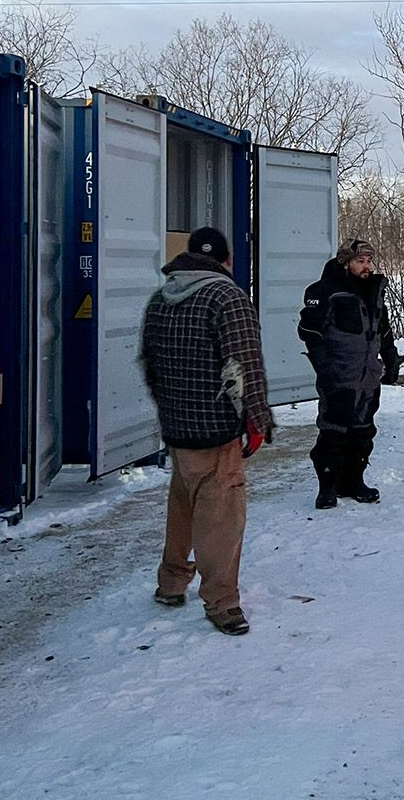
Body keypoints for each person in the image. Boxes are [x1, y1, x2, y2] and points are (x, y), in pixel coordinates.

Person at [140, 227, 274, 636]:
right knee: (221, 516)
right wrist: (257, 419)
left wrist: (168, 408)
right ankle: (222, 602)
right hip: (216, 428)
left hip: (177, 426)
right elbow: (243, 364)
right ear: (227, 261)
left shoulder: (161, 298)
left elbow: (149, 362)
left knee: (183, 503)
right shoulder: (227, 297)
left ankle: (171, 582)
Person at [298, 238, 400, 510]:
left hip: (367, 376)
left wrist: (391, 360)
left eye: (368, 261)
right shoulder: (326, 290)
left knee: (363, 431)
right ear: (346, 263)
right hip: (339, 374)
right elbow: (310, 331)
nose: (366, 266)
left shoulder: (374, 291)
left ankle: (354, 482)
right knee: (334, 432)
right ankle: (327, 487)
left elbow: (383, 329)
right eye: (359, 261)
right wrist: (324, 367)